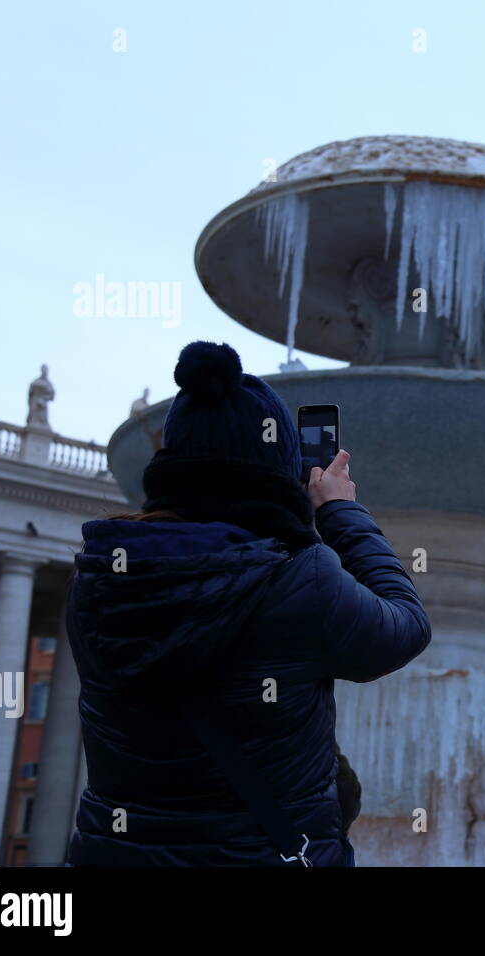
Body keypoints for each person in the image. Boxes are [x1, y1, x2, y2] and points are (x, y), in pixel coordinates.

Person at [66, 341, 431, 866]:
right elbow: (407, 625)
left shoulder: (96, 580)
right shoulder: (298, 580)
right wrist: (339, 513)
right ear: (275, 467)